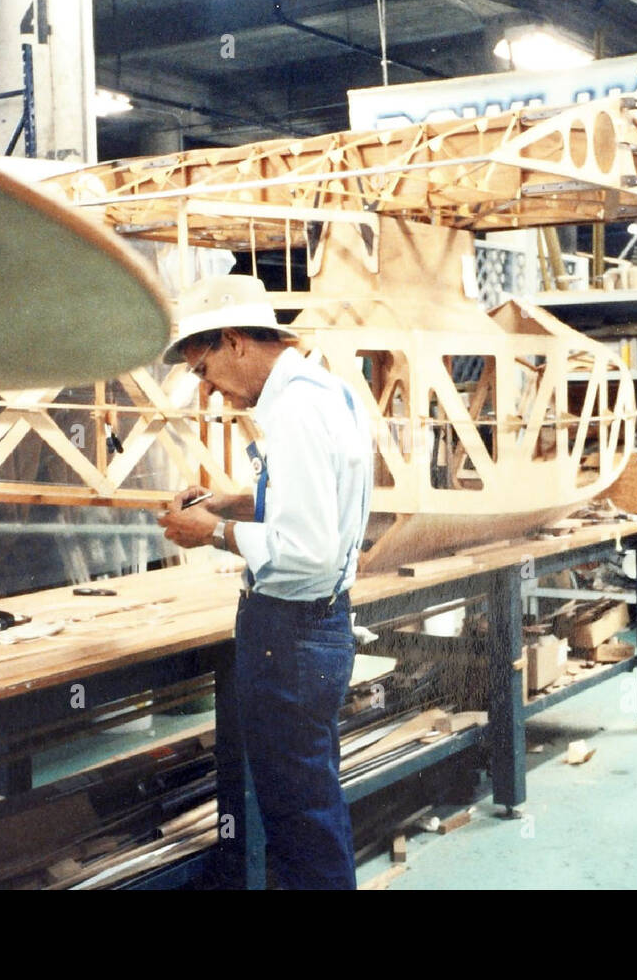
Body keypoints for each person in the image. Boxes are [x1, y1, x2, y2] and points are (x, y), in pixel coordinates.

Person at [157, 274, 373, 890]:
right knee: (308, 805)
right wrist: (229, 503)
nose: (209, 389)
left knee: (299, 817)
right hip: (315, 630)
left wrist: (212, 534)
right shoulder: (323, 390)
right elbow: (312, 501)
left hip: (290, 634)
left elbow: (306, 550)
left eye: (203, 370)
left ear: (234, 341)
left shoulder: (296, 411)